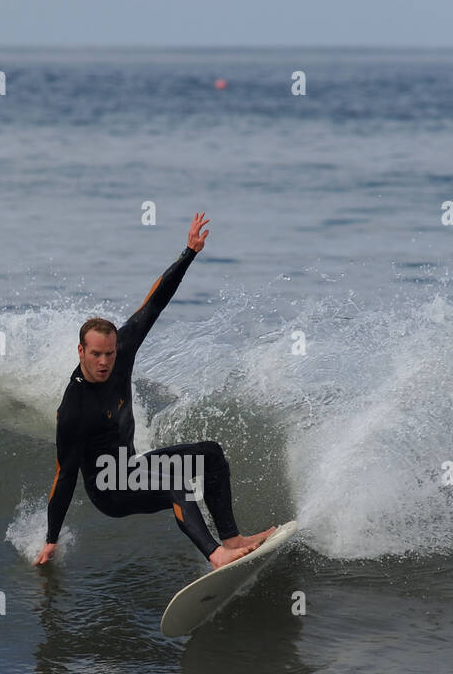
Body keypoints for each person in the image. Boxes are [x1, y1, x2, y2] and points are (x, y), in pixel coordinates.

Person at [34, 213, 275, 568]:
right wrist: (51, 539)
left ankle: (232, 539)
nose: (104, 362)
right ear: (81, 351)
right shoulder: (74, 408)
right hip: (109, 488)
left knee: (210, 454)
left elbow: (155, 302)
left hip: (132, 468)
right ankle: (216, 556)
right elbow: (65, 476)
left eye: (109, 353)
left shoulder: (122, 351)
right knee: (177, 482)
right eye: (96, 354)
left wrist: (189, 252)